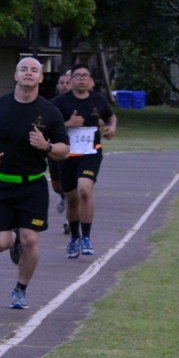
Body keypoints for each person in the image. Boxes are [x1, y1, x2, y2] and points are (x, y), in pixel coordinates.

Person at [0, 57, 69, 310]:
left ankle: (20, 289)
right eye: (23, 69)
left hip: (32, 186)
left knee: (31, 240)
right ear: (15, 76)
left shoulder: (50, 112)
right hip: (0, 185)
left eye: (34, 70)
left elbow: (64, 150)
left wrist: (45, 146)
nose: (28, 73)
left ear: (40, 78)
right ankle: (12, 240)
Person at [51, 63, 117, 259]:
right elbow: (48, 127)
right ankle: (74, 238)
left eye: (85, 76)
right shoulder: (60, 103)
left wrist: (111, 128)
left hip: (90, 154)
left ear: (90, 81)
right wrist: (68, 124)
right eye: (77, 75)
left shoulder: (98, 100)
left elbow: (111, 117)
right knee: (72, 199)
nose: (81, 79)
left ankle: (86, 238)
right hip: (66, 156)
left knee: (84, 191)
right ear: (71, 81)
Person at [49, 68, 73, 234]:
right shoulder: (51, 105)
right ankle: (63, 196)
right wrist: (68, 124)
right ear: (58, 86)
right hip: (54, 149)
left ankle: (69, 220)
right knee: (57, 186)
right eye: (62, 83)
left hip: (74, 151)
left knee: (71, 185)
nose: (65, 86)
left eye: (68, 83)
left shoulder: (80, 103)